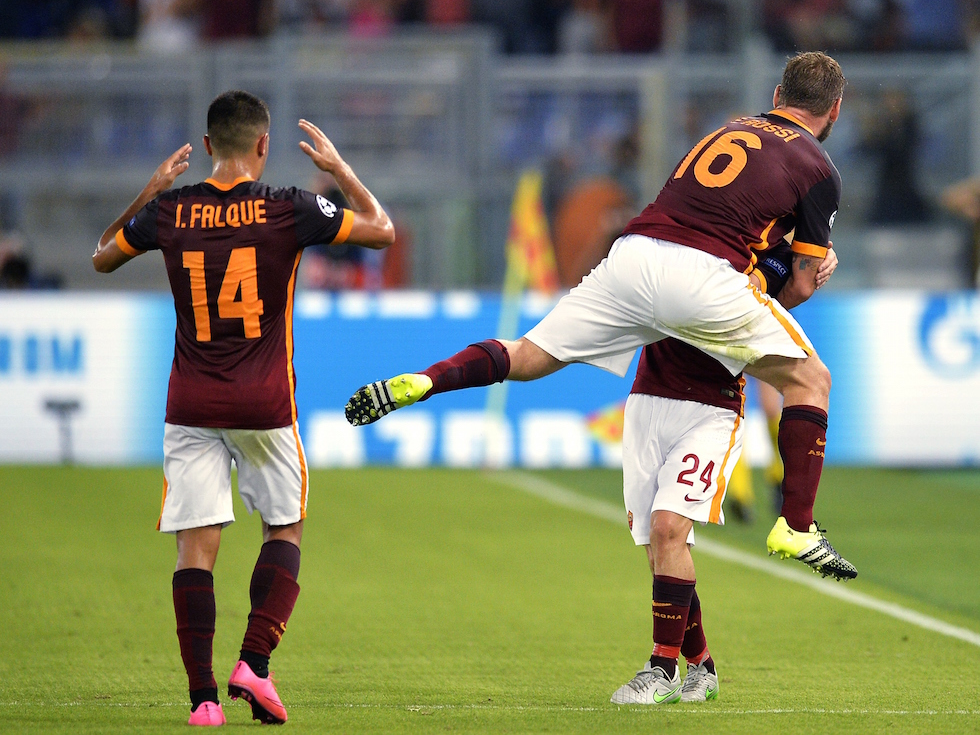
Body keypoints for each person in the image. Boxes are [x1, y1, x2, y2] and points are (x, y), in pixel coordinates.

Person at [345, 49, 856, 690]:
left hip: (634, 254)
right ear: (835, 109)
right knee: (811, 380)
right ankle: (798, 526)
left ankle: (424, 380)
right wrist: (799, 266)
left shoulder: (728, 130)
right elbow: (801, 285)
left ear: (778, 92)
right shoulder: (818, 167)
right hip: (700, 278)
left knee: (529, 357)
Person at [93, 90, 394, 726]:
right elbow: (382, 231)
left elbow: (102, 255)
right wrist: (340, 172)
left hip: (191, 401)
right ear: (263, 145)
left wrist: (148, 192)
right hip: (264, 404)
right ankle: (254, 664)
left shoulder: (170, 211)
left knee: (195, 551)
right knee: (284, 529)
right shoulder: (289, 207)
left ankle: (203, 700)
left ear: (206, 147)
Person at [608, 240, 837, 706]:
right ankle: (703, 668)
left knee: (669, 529)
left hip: (711, 406)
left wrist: (813, 262)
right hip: (649, 399)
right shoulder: (683, 239)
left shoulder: (765, 250)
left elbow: (789, 284)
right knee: (659, 549)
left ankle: (661, 669)